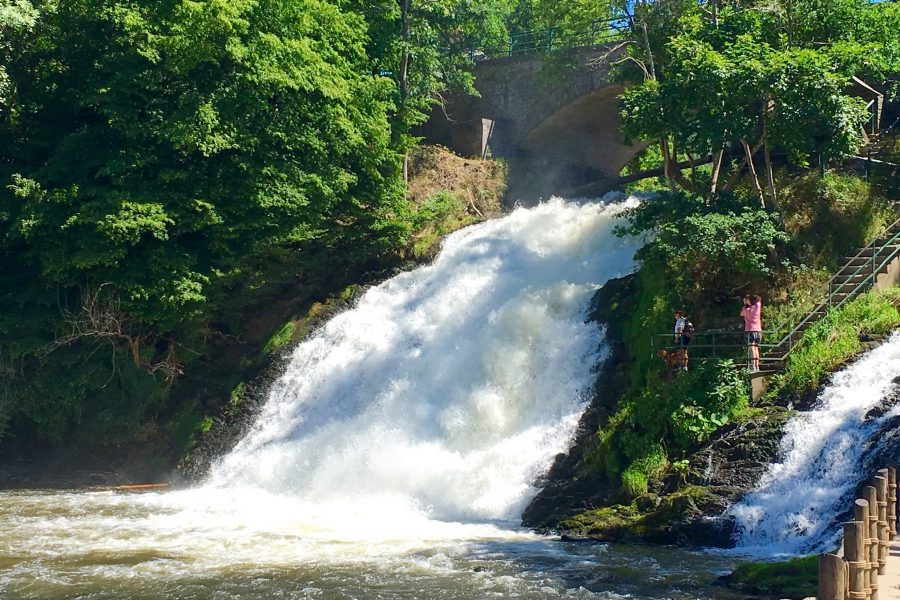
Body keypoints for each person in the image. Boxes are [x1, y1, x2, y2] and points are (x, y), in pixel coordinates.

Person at [741, 294, 763, 372]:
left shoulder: (747, 310)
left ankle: (753, 366)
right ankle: (757, 366)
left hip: (750, 330)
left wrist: (744, 304)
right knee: (756, 348)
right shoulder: (757, 306)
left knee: (752, 348)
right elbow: (759, 298)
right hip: (758, 330)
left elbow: (741, 313)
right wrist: (753, 297)